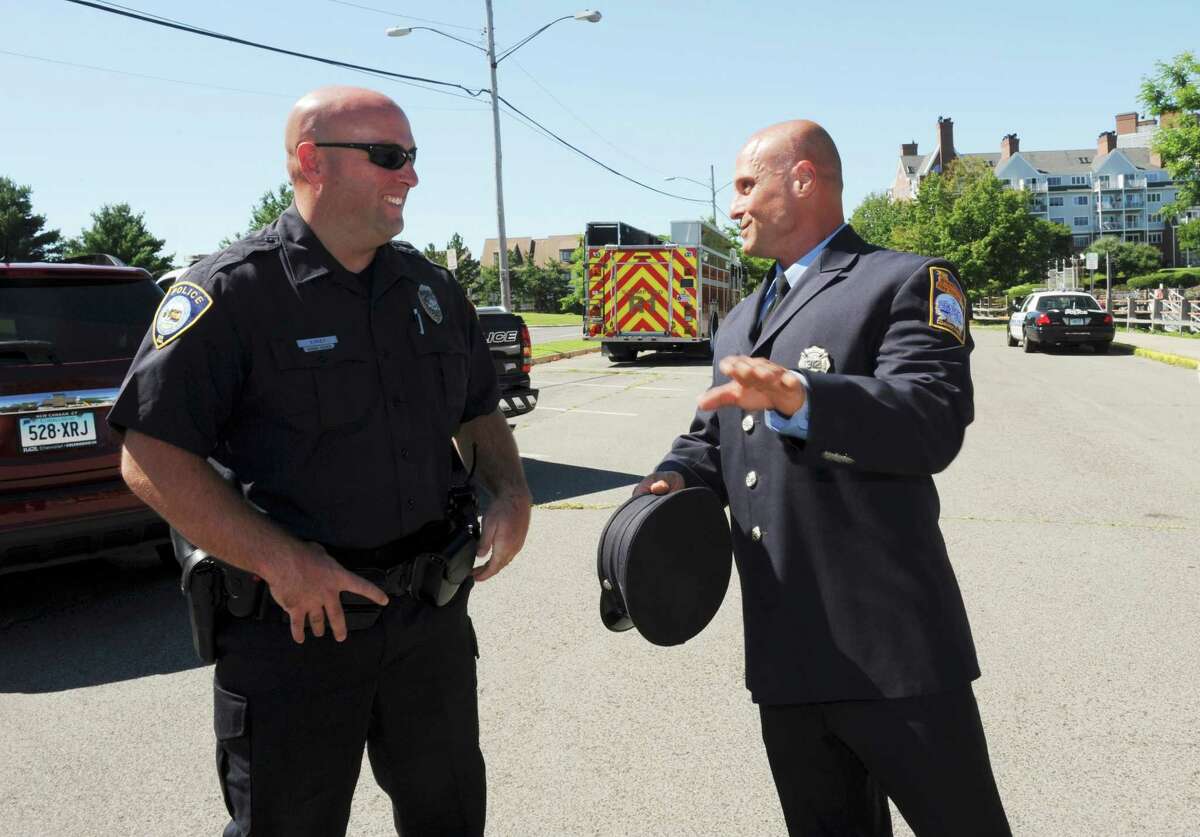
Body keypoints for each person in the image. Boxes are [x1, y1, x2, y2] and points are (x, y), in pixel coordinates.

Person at [108, 86, 531, 837]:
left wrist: (510, 492)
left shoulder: (429, 290)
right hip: (298, 631)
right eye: (389, 157)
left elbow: (480, 413)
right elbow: (148, 454)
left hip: (426, 623)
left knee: (452, 818)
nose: (410, 176)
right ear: (311, 162)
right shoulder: (232, 293)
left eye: (411, 157)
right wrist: (282, 561)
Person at [634, 120, 1010, 836]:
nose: (733, 206)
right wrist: (672, 479)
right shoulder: (739, 321)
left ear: (802, 180)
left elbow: (929, 418)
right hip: (789, 659)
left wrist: (804, 400)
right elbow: (711, 439)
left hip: (895, 657)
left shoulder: (906, 280)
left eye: (747, 186)